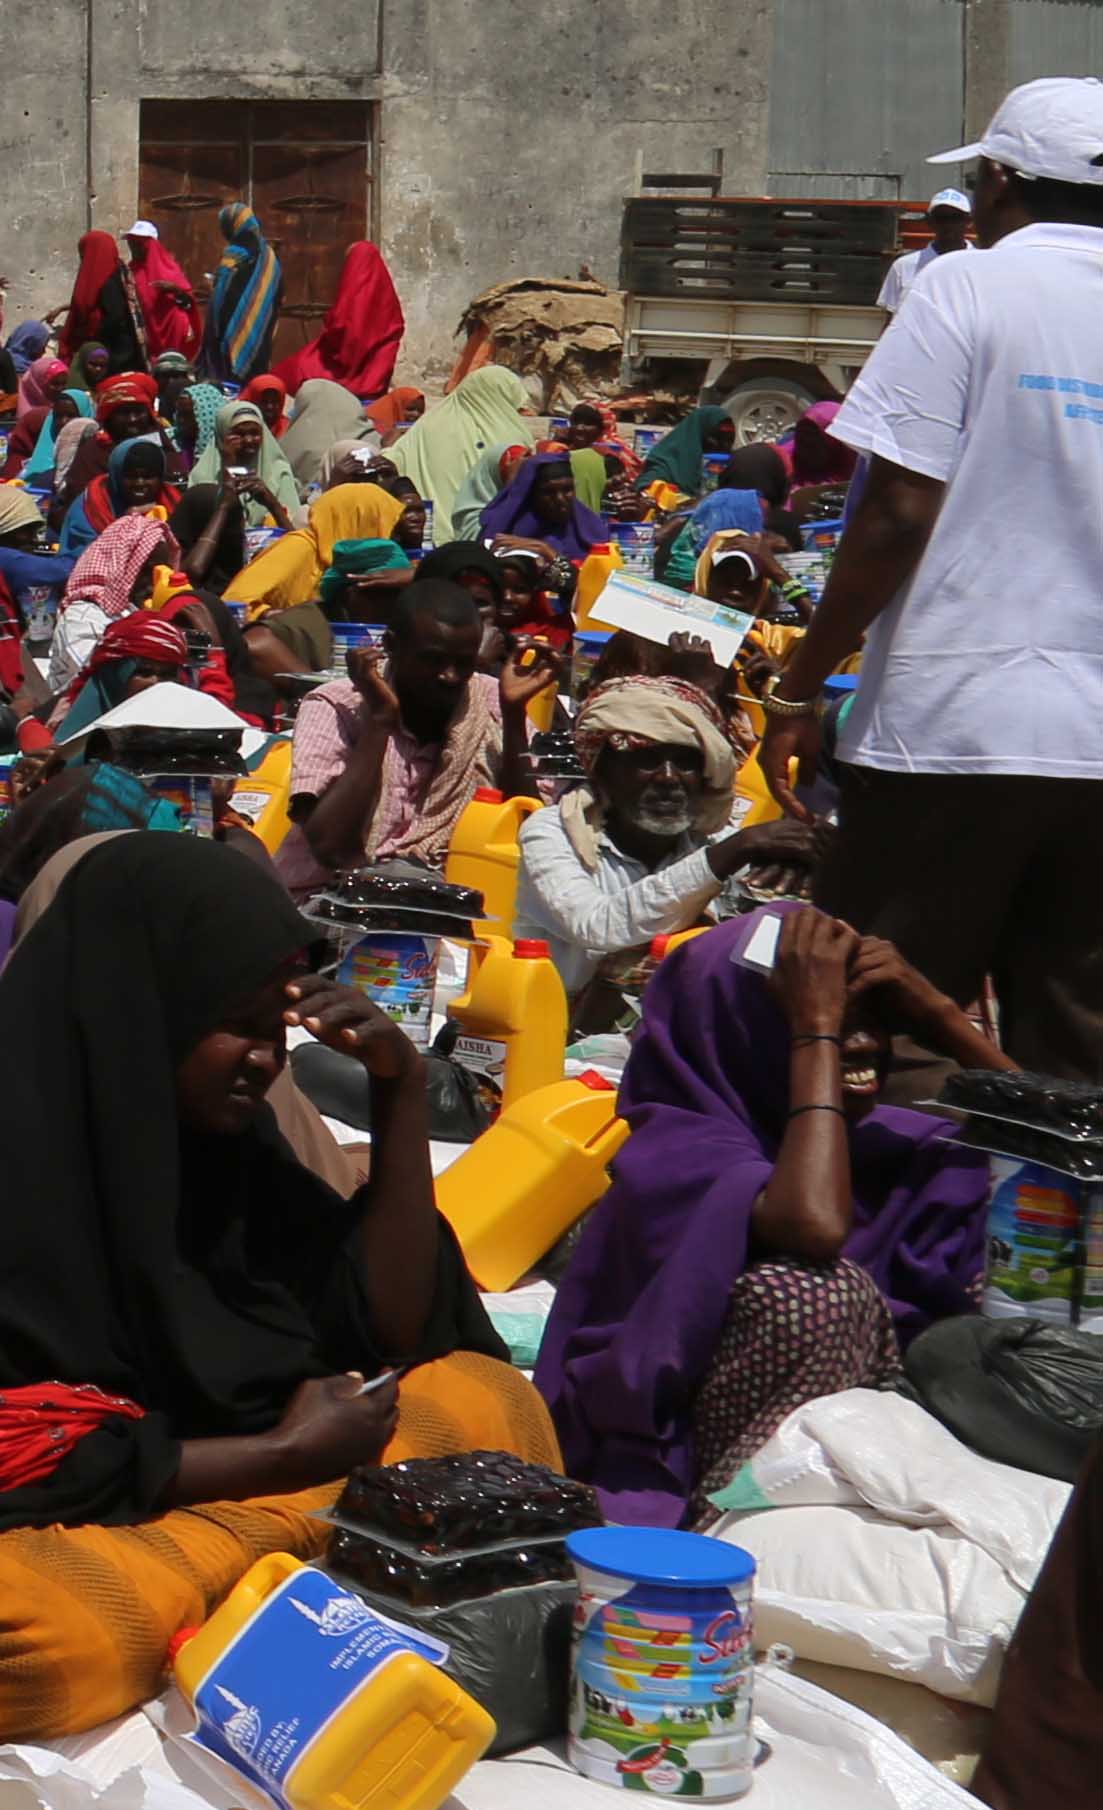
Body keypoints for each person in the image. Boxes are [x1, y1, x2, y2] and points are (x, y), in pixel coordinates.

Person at [0, 833, 557, 1810]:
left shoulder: (217, 1147)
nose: (263, 1058)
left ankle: (282, 1569)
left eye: (272, 1030)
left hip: (197, 1498)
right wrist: (279, 1464)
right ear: (136, 1015)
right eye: (231, 1028)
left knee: (481, 1401)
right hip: (10, 1529)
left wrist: (394, 1092)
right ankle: (307, 1560)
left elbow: (384, 1327)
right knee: (34, 1640)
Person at [773, 79, 1103, 1078]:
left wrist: (796, 683)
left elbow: (895, 512)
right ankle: (1049, 1236)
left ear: (998, 180)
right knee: (1071, 1055)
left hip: (951, 734)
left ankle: (879, 1228)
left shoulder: (963, 286)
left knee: (876, 1027)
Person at [536, 907, 1008, 1524]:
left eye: (872, 1022)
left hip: (883, 1460)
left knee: (1026, 1252)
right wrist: (818, 1030)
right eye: (830, 1023)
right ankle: (726, 1527)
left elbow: (1079, 1170)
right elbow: (814, 1228)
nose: (860, 1043)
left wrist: (939, 1017)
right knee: (811, 1292)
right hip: (700, 1467)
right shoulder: (681, 1146)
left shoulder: (899, 1147)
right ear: (739, 1036)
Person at [279, 542, 506, 895]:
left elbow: (523, 827)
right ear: (392, 646)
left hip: (446, 902)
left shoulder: (489, 701)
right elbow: (330, 848)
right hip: (330, 900)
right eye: (432, 660)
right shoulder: (336, 704)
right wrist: (381, 722)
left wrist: (518, 715)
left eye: (463, 663)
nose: (449, 676)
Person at [516, 673, 737, 1019]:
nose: (668, 777)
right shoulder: (551, 833)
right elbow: (596, 926)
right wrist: (720, 861)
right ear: (601, 770)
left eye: (685, 762)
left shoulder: (710, 845)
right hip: (553, 1027)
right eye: (647, 759)